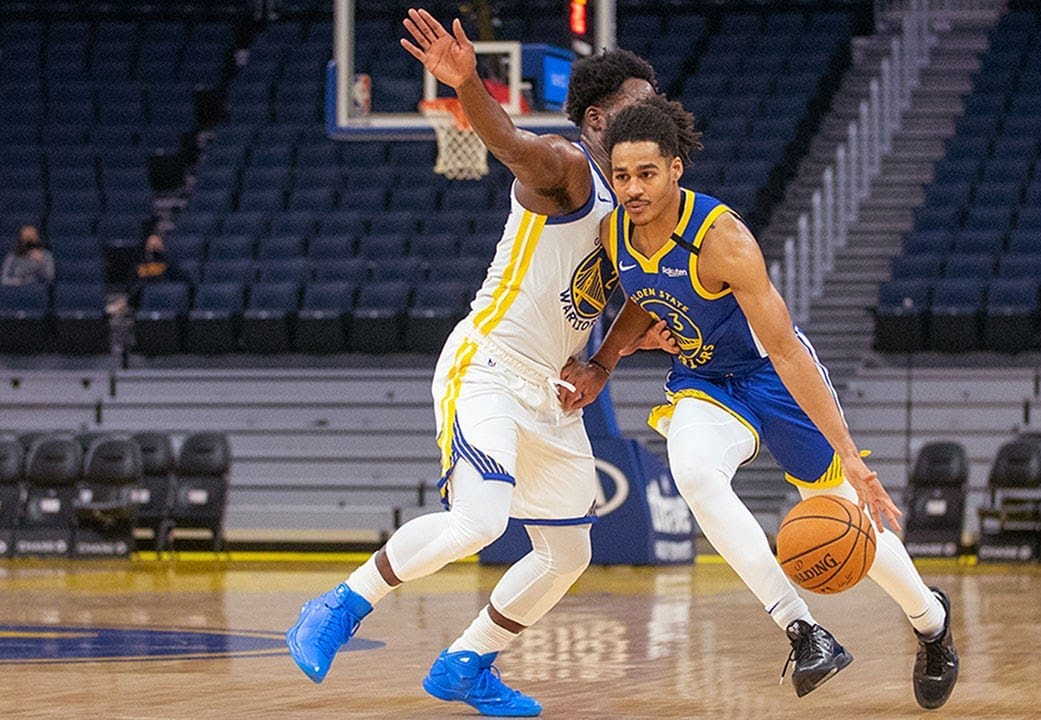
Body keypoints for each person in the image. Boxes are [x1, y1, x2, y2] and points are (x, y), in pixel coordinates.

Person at [286, 10, 668, 718]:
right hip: (489, 364)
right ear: (596, 120)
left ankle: (466, 663)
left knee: (568, 554)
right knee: (478, 522)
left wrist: (606, 361)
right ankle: (338, 606)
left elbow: (639, 299)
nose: (653, 113)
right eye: (637, 104)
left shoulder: (634, 210)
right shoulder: (568, 168)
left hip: (552, 388)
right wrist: (467, 86)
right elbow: (512, 145)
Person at [559, 96, 960, 709]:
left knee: (842, 516)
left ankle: (931, 623)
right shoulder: (615, 233)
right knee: (694, 472)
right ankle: (804, 632)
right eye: (621, 176)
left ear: (675, 169)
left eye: (646, 174)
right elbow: (641, 295)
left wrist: (849, 454)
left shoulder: (723, 240)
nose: (632, 189)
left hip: (771, 374)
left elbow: (787, 351)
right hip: (706, 381)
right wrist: (604, 363)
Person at [128, 233, 190, 306]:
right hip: (143, 297)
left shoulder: (168, 263)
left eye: (157, 244)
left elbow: (180, 279)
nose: (154, 247)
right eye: (151, 244)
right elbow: (132, 284)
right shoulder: (139, 264)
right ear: (146, 246)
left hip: (165, 295)